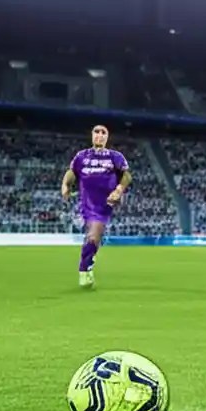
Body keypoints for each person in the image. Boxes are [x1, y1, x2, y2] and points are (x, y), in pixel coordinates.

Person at [61, 124, 131, 289]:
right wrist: (65, 185)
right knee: (93, 236)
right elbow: (71, 172)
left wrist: (119, 190)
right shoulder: (81, 156)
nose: (99, 135)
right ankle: (85, 269)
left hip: (107, 201)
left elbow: (127, 175)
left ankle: (87, 265)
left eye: (103, 132)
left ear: (107, 137)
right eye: (96, 132)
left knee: (94, 236)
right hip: (88, 202)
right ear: (92, 135)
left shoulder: (114, 156)